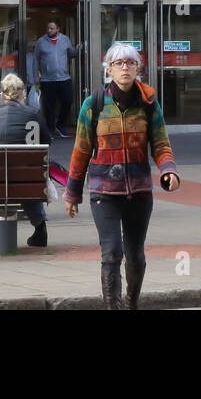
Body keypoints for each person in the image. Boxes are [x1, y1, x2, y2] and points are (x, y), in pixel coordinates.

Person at [65, 42, 179, 309]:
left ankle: (130, 303)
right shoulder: (93, 105)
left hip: (139, 192)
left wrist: (168, 170)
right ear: (109, 70)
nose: (125, 68)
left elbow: (161, 144)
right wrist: (72, 192)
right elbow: (81, 151)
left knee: (136, 256)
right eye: (118, 63)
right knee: (112, 254)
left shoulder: (149, 104)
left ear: (138, 68)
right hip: (104, 192)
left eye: (130, 63)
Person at [0, 74, 50, 252]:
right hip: (26, 179)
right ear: (23, 93)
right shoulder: (34, 113)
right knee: (28, 176)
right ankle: (40, 228)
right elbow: (46, 144)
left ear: (2, 95)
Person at [34, 21, 81, 138]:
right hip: (47, 80)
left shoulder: (65, 39)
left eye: (52, 28)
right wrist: (35, 78)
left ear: (58, 29)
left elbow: (70, 54)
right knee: (49, 106)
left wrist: (77, 50)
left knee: (68, 101)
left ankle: (60, 125)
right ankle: (50, 129)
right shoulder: (41, 42)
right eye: (48, 28)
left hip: (64, 78)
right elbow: (35, 60)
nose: (49, 30)